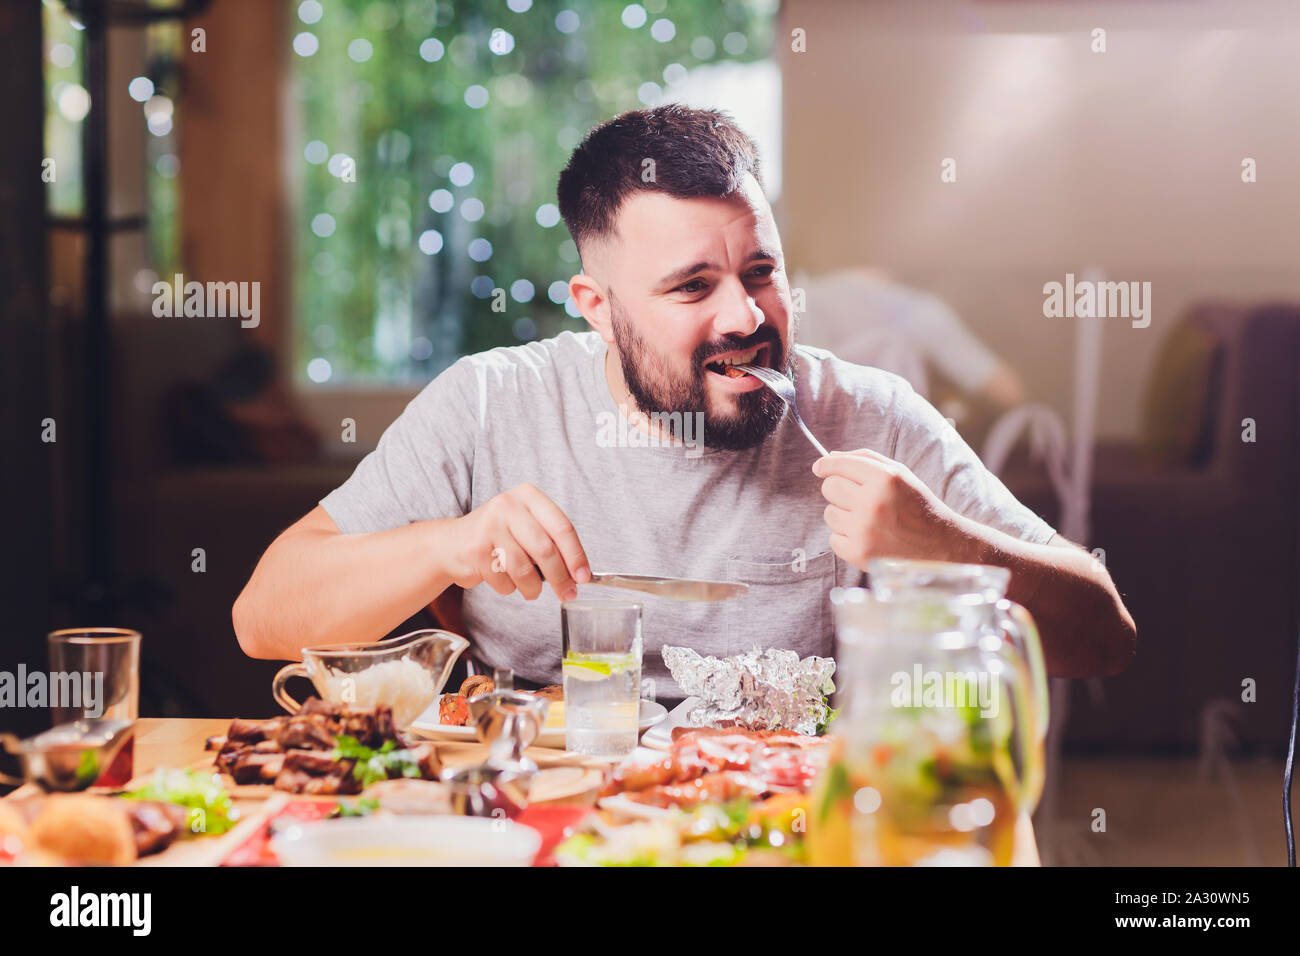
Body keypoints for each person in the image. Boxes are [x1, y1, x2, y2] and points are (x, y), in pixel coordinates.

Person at [232, 106, 1135, 697]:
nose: (746, 315)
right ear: (597, 308)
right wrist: (447, 545)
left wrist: (947, 545)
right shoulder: (487, 405)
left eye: (761, 272)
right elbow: (263, 618)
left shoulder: (871, 414)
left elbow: (1105, 640)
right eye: (692, 287)